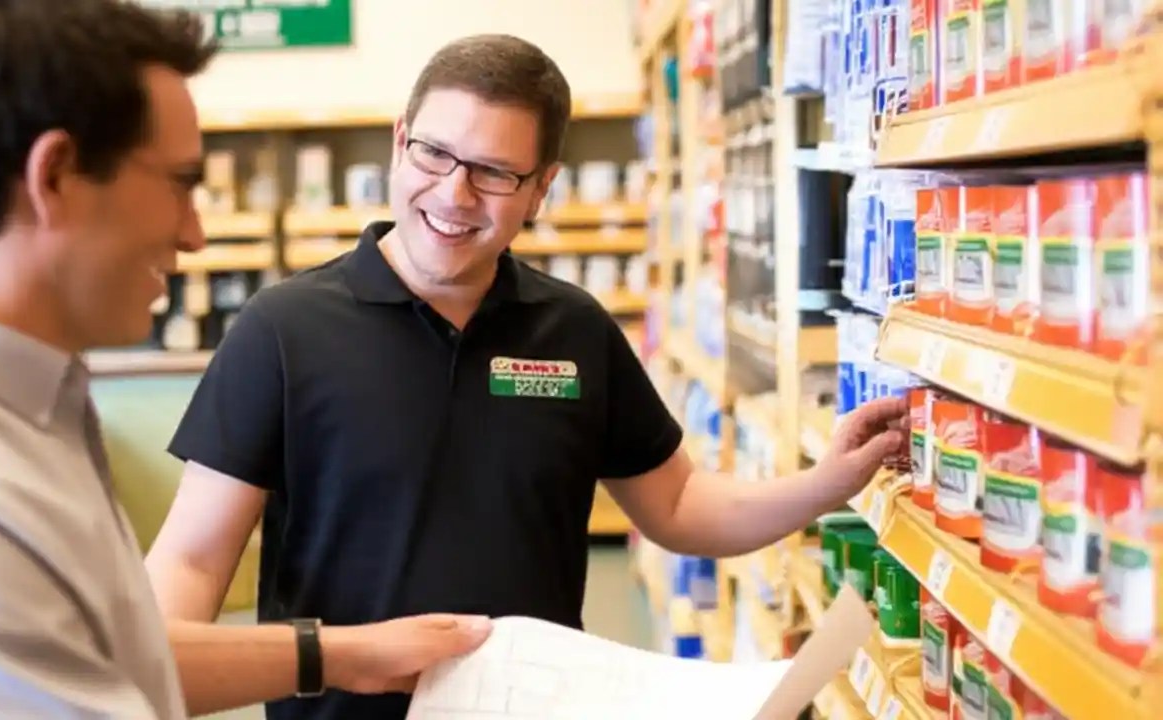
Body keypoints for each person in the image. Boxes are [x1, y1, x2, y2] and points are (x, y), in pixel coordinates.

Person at [147, 33, 908, 720]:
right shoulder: (281, 331)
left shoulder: (574, 330)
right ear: (400, 142)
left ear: (543, 188)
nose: (453, 193)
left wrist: (829, 481)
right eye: (434, 154)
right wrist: (133, 685)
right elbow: (191, 558)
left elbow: (677, 502)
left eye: (493, 172)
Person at [0, 1, 490, 718]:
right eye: (180, 183)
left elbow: (112, 654)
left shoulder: (21, 408)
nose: (197, 233)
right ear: (56, 177)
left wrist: (342, 655)